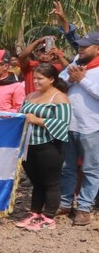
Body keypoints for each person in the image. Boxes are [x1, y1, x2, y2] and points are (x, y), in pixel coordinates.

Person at [13, 64, 71, 231]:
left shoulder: (59, 98)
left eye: (40, 78)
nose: (36, 81)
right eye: (35, 78)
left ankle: (49, 217)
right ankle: (35, 213)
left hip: (48, 146)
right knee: (36, 182)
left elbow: (64, 124)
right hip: (28, 146)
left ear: (52, 79)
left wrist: (38, 120)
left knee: (51, 183)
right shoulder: (31, 95)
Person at [58, 32, 99, 227]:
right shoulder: (76, 62)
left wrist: (82, 80)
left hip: (92, 126)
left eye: (85, 46)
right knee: (67, 167)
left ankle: (84, 207)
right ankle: (65, 203)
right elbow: (60, 81)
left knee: (91, 169)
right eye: (80, 46)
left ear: (97, 49)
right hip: (70, 124)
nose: (81, 50)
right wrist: (71, 79)